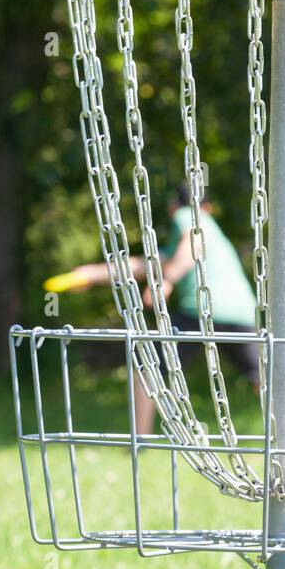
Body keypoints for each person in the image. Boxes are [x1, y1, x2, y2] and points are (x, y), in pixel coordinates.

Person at [45, 185, 260, 436]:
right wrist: (90, 275)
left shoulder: (190, 216)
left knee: (148, 367)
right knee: (262, 380)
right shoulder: (213, 231)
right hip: (242, 311)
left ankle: (141, 439)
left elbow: (194, 241)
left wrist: (166, 280)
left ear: (173, 208)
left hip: (202, 311)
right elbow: (143, 265)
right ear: (210, 207)